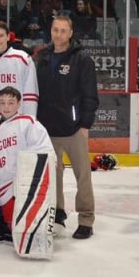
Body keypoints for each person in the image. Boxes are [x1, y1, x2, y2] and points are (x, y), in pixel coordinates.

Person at [35, 16, 99, 239]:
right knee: (53, 174)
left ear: (71, 33)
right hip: (47, 129)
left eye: (63, 30)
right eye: (55, 30)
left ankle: (86, 219)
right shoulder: (42, 57)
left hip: (73, 129)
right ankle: (58, 210)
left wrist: (85, 125)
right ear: (50, 31)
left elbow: (90, 95)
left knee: (83, 176)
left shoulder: (82, 60)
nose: (59, 34)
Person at [0, 86, 54, 247]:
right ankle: (2, 218)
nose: (6, 107)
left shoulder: (28, 123)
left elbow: (44, 149)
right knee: (13, 226)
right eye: (2, 103)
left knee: (24, 229)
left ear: (19, 104)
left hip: (23, 185)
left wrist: (33, 179)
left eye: (11, 103)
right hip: (2, 188)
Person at [0, 22, 38, 122]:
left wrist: (30, 119)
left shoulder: (23, 58)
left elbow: (30, 92)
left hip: (16, 118)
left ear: (8, 37)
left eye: (1, 35)